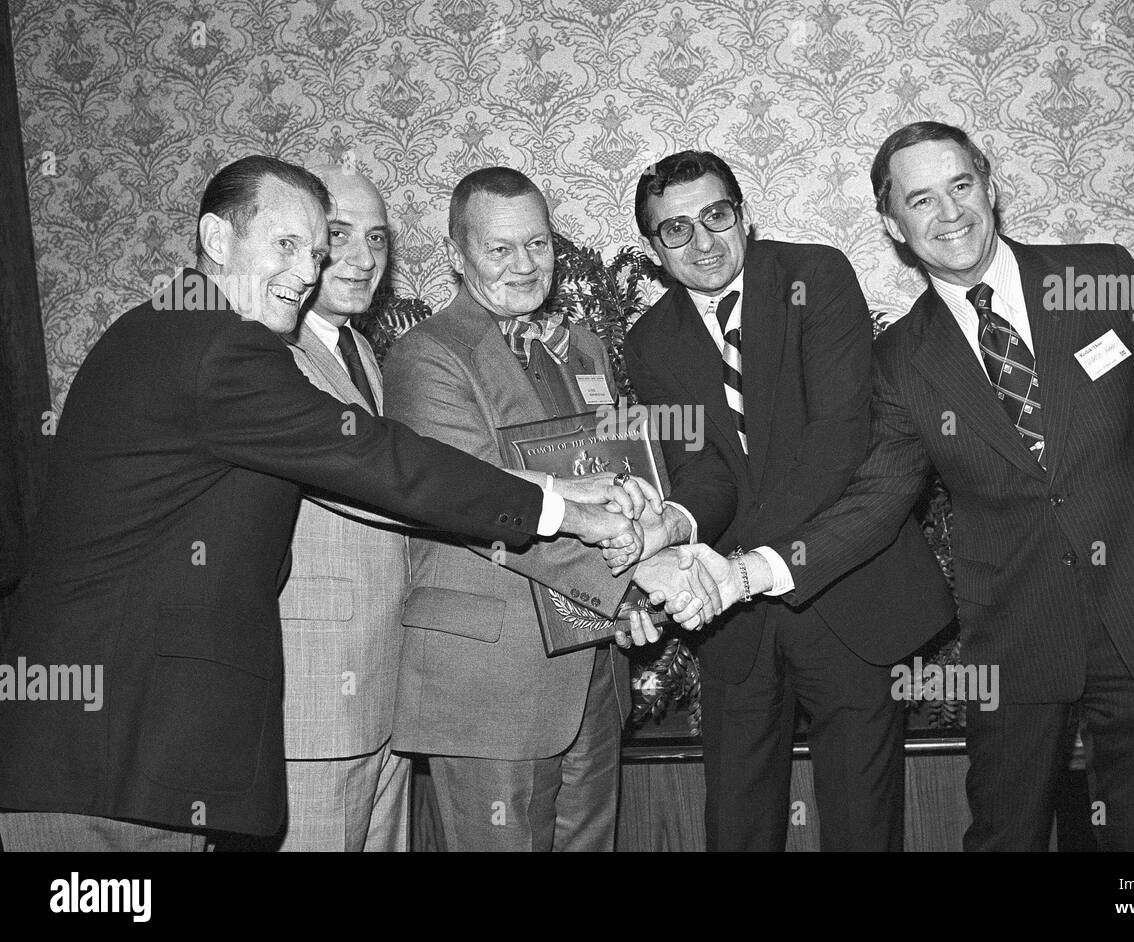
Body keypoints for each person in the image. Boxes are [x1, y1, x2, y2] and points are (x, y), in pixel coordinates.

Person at [0, 155, 640, 852]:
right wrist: (561, 508)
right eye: (285, 245)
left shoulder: (180, 330)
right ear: (217, 241)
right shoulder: (219, 345)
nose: (307, 271)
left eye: (315, 250)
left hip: (139, 749)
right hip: (106, 753)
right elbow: (379, 463)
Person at [713, 121, 1134, 851]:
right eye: (921, 200)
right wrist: (760, 568)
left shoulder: (1099, 274)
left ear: (990, 187)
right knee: (1005, 832)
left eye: (961, 186)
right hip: (1016, 637)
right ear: (892, 225)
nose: (950, 214)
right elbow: (877, 498)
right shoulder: (902, 357)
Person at [619, 150, 954, 851]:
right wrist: (678, 522)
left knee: (862, 823)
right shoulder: (650, 343)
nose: (703, 242)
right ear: (653, 251)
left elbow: (836, 445)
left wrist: (726, 568)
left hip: (844, 593)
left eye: (716, 216)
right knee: (737, 822)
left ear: (744, 215)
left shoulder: (813, 276)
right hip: (733, 630)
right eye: (675, 229)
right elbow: (702, 473)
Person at [383, 167, 708, 851]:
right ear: (456, 255)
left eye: (538, 244)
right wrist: (629, 584)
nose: (526, 265)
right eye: (500, 250)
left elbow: (619, 471)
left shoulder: (582, 347)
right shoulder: (429, 357)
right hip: (494, 680)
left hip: (592, 666)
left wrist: (650, 539)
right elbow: (473, 505)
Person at [274, 165, 411, 851]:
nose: (363, 259)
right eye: (340, 236)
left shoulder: (358, 347)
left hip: (386, 686)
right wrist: (551, 505)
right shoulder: (272, 350)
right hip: (317, 691)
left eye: (378, 239)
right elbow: (384, 484)